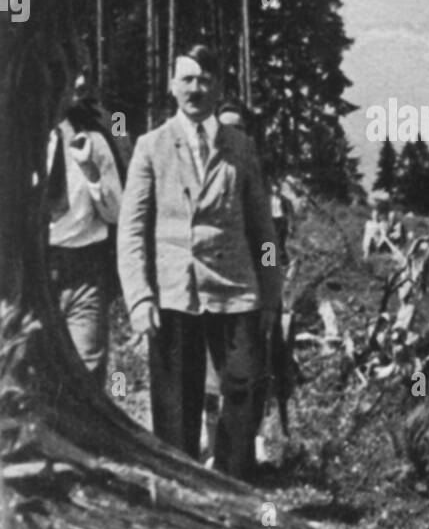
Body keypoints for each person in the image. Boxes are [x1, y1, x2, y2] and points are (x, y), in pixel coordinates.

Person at [117, 45, 281, 479]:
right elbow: (131, 231)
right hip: (175, 294)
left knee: (245, 388)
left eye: (204, 79)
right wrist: (139, 297)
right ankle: (181, 491)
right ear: (172, 86)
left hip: (236, 290)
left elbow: (263, 230)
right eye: (187, 78)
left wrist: (270, 293)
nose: (195, 88)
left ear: (217, 87)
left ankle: (231, 481)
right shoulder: (150, 147)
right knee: (176, 406)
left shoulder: (240, 146)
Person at [47, 79, 124, 389]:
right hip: (30, 273)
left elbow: (116, 212)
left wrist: (92, 172)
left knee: (87, 380)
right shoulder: (14, 137)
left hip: (85, 274)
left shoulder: (94, 136)